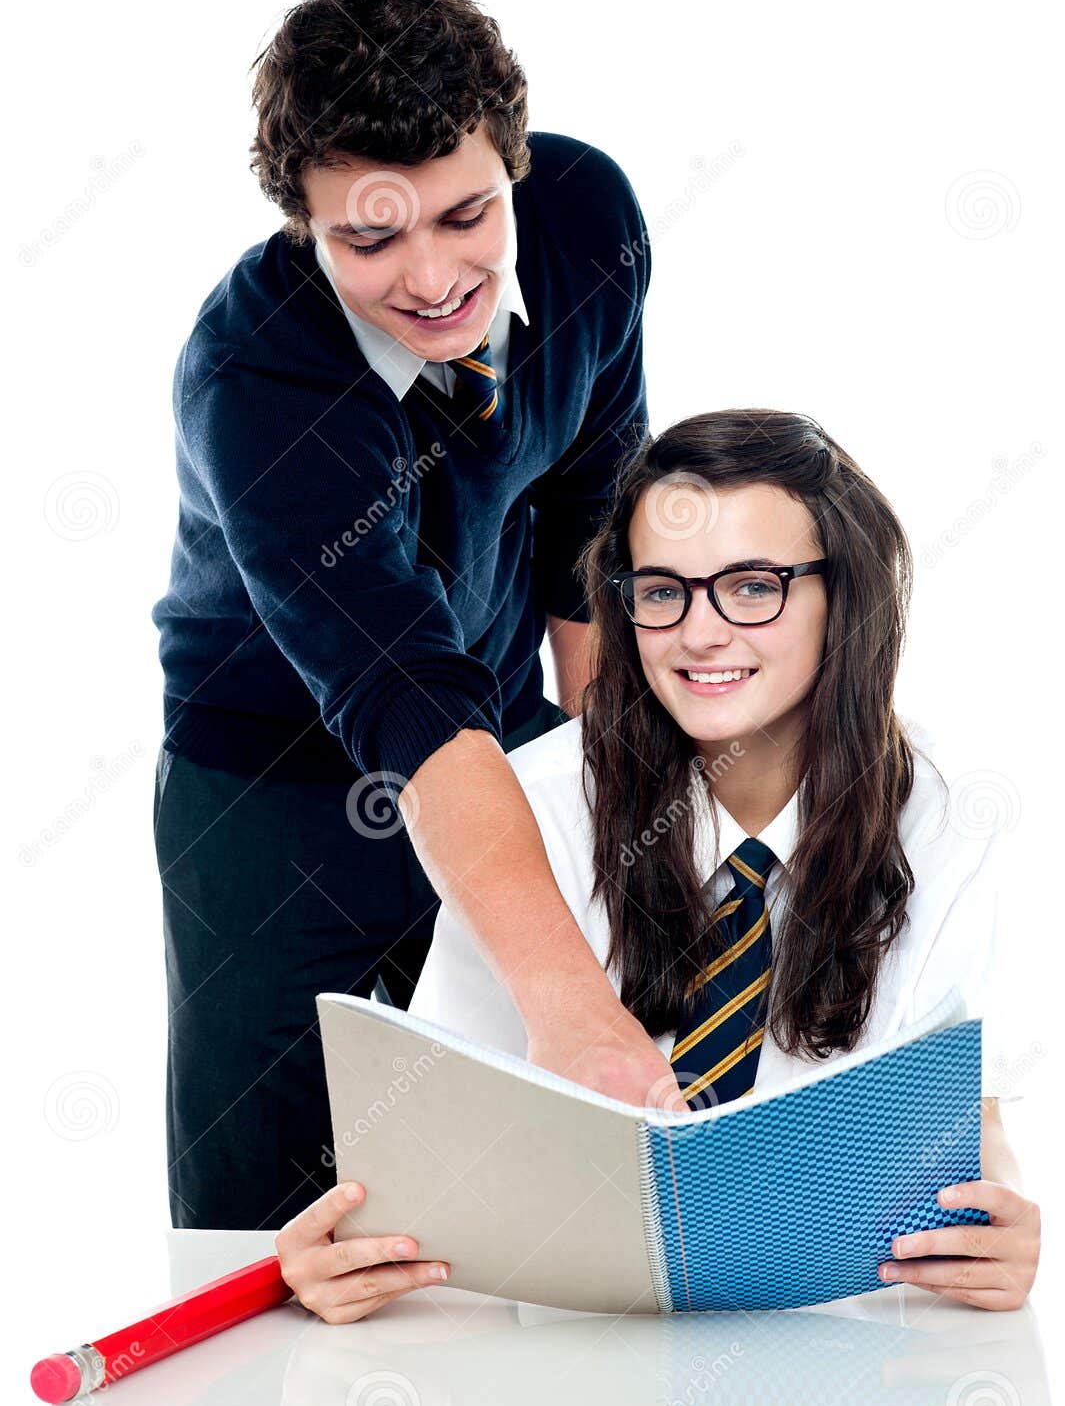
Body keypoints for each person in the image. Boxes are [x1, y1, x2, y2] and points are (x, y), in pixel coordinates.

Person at [274, 409, 1040, 1321]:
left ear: (848, 596)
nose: (699, 633)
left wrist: (1005, 1229)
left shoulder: (944, 814)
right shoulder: (535, 806)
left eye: (753, 586)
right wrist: (346, 1258)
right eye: (663, 591)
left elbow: (958, 1115)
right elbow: (435, 1135)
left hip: (824, 1343)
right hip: (568, 1337)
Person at [151, 0, 677, 1234]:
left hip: (500, 722)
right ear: (301, 226)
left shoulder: (588, 215)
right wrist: (568, 1001)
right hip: (273, 790)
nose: (438, 278)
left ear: (514, 161)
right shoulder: (256, 372)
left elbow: (590, 517)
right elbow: (399, 687)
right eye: (371, 239)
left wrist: (618, 796)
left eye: (468, 213)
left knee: (508, 1200)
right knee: (275, 1225)